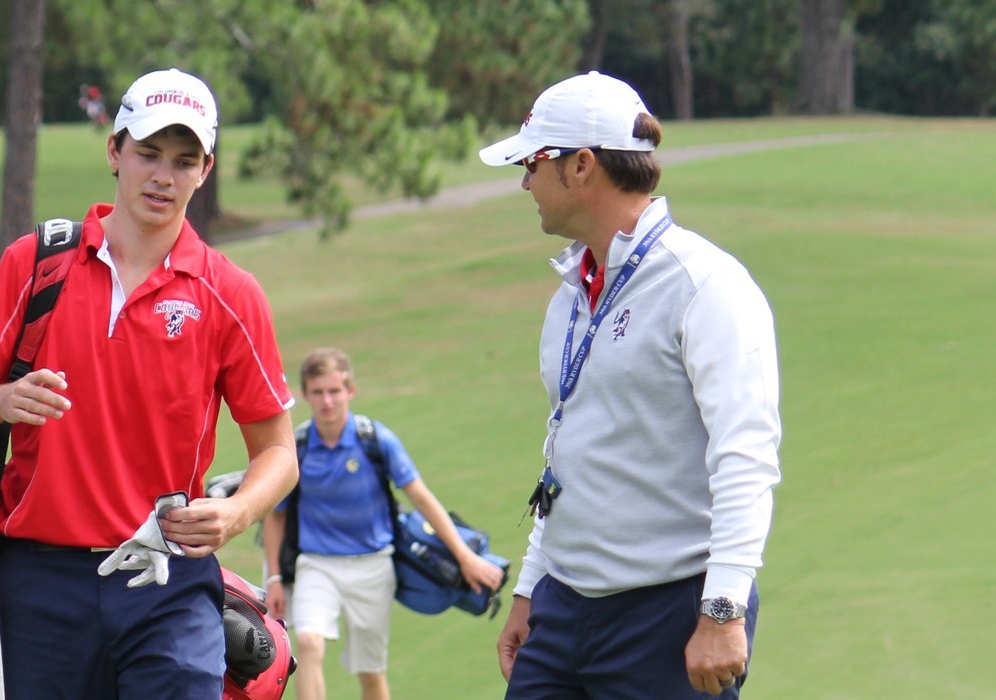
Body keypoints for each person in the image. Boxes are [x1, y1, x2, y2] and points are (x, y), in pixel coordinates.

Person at [0, 68, 298, 700]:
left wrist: (237, 511)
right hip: (37, 583)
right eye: (148, 154)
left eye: (184, 161)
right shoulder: (37, 263)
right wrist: (2, 400)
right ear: (114, 151)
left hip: (167, 582)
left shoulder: (230, 293)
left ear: (205, 171)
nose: (163, 177)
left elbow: (279, 452)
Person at [477, 72, 783, 699]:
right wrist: (531, 586)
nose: (525, 182)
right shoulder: (570, 297)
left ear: (581, 165)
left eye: (533, 164)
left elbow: (745, 454)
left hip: (670, 612)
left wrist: (723, 609)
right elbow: (568, 453)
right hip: (564, 606)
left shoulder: (704, 284)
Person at [261, 348, 505, 700]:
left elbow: (422, 499)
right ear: (304, 394)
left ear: (350, 391)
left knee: (371, 672)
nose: (327, 401)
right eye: (318, 392)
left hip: (373, 567)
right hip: (316, 565)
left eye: (334, 391)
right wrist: (274, 579)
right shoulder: (296, 447)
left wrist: (466, 557)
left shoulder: (375, 440)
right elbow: (276, 514)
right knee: (309, 642)